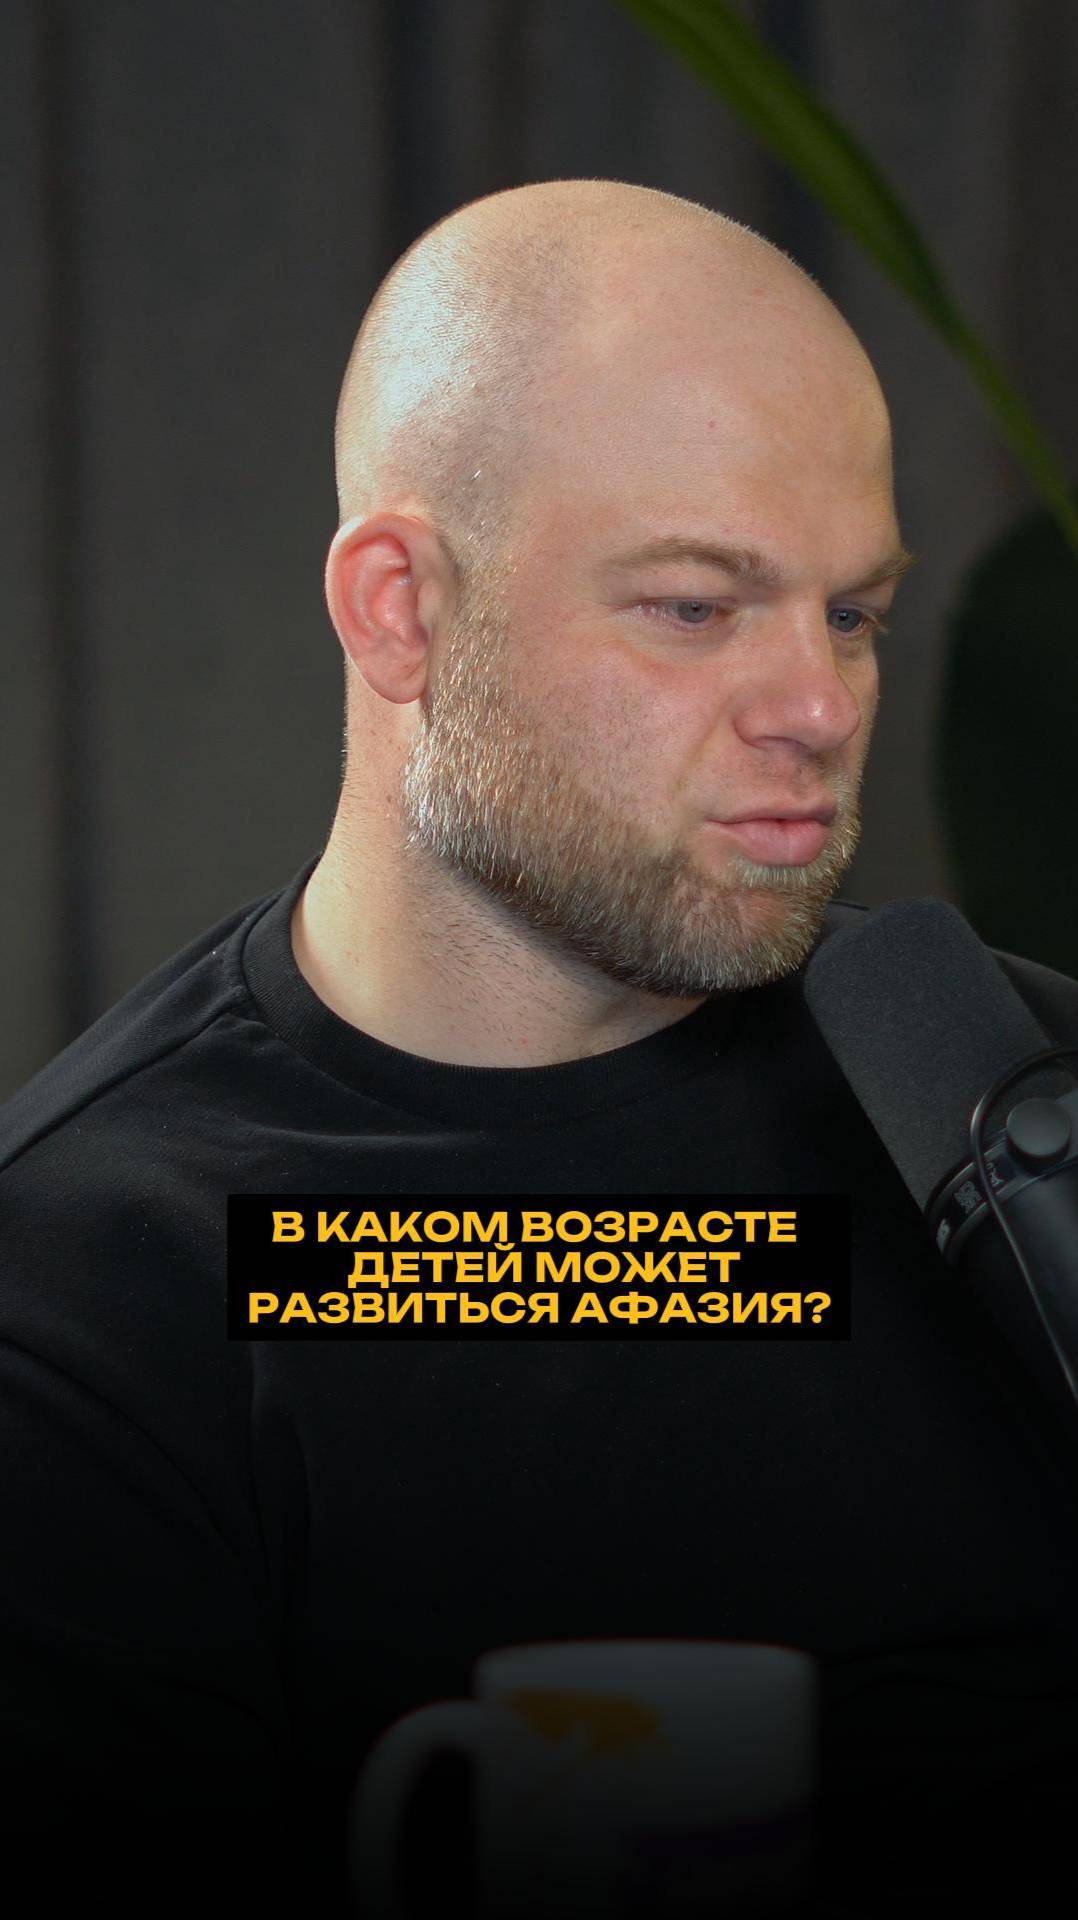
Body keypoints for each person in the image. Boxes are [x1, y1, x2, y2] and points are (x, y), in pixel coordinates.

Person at [2, 177, 1077, 1918]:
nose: (818, 707)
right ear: (401, 611)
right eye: (694, 607)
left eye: (851, 613)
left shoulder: (1003, 1098)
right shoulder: (90, 1292)